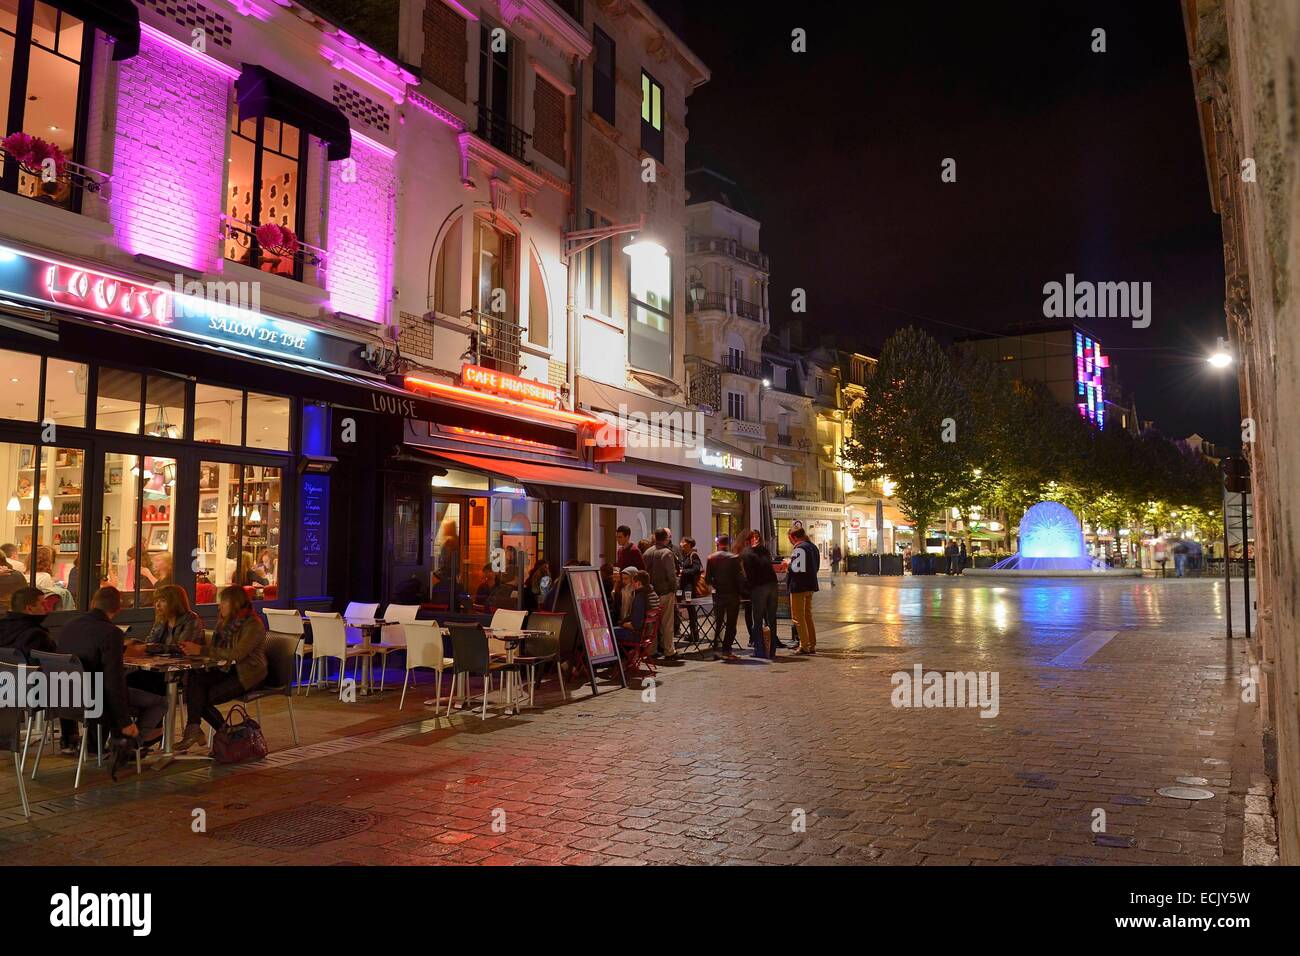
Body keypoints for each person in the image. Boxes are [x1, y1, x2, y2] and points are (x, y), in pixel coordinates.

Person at [57, 587, 166, 754]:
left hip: (65, 696)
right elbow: (113, 681)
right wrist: (125, 722)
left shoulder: (69, 625)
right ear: (118, 609)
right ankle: (130, 746)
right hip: (95, 700)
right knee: (160, 702)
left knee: (124, 696)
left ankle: (105, 744)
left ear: (93, 603)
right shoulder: (111, 633)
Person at [175, 586, 267, 752]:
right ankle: (201, 730)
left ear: (235, 603)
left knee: (199, 699)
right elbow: (219, 652)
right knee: (194, 679)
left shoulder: (253, 625)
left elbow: (237, 654)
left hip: (247, 673)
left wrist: (201, 650)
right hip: (225, 669)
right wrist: (194, 650)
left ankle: (224, 736)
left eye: (223, 602)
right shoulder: (225, 623)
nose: (219, 606)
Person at [740, 530, 779, 658]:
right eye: (754, 537)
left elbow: (749, 575)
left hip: (760, 588)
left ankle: (760, 650)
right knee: (771, 619)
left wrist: (747, 590)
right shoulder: (764, 551)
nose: (756, 539)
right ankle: (771, 650)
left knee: (757, 620)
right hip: (772, 585)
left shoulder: (747, 553)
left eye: (757, 537)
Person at [705, 534, 743, 661]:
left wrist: (715, 585)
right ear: (729, 543)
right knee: (731, 624)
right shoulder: (734, 558)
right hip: (732, 594)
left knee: (718, 623)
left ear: (718, 543)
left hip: (718, 595)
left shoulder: (711, 558)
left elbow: (707, 579)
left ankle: (716, 650)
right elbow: (739, 578)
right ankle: (727, 650)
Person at [643, 529, 679, 660]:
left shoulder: (647, 552)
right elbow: (671, 575)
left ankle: (651, 650)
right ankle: (669, 650)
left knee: (652, 623)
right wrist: (674, 589)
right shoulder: (667, 553)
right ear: (666, 538)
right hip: (665, 592)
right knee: (667, 623)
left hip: (651, 593)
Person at [787, 526, 820, 655]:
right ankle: (812, 644)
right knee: (807, 616)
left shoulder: (799, 548)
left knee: (798, 617)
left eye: (790, 539)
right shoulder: (813, 547)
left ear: (793, 537)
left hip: (798, 586)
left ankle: (804, 645)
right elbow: (815, 566)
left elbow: (796, 568)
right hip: (810, 585)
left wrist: (787, 565)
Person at [0, 586, 56, 661]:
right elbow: (47, 667)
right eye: (42, 604)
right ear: (29, 609)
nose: (48, 609)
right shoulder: (36, 635)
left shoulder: (2, 626)